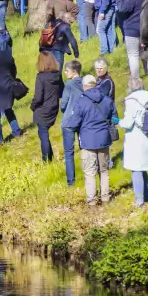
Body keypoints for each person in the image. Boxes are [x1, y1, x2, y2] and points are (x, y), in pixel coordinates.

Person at [64, 74, 115, 205]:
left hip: (87, 141)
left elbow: (73, 123)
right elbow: (114, 118)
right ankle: (105, 198)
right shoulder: (107, 100)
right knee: (104, 171)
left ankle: (92, 201)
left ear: (84, 86)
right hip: (104, 140)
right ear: (95, 85)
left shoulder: (81, 102)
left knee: (90, 172)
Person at [119, 77, 148, 207]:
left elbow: (127, 123)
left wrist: (118, 121)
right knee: (144, 168)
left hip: (136, 139)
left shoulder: (130, 100)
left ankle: (139, 200)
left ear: (130, 87)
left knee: (136, 169)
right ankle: (147, 197)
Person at [30, 51, 63, 162]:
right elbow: (61, 92)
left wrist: (33, 106)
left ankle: (46, 161)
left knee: (43, 134)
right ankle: (50, 157)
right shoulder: (57, 75)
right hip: (54, 108)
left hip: (42, 109)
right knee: (44, 133)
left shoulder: (40, 77)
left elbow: (38, 97)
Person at [114, 0, 148, 78]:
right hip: (144, 29)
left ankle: (135, 77)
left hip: (132, 30)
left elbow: (123, 9)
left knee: (133, 54)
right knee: (144, 53)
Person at [60, 60, 84, 186]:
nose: (65, 72)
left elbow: (63, 104)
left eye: (66, 70)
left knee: (69, 153)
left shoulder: (69, 84)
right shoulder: (86, 82)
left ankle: (71, 181)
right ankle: (89, 174)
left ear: (74, 72)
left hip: (69, 121)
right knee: (85, 148)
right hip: (83, 120)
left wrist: (65, 109)